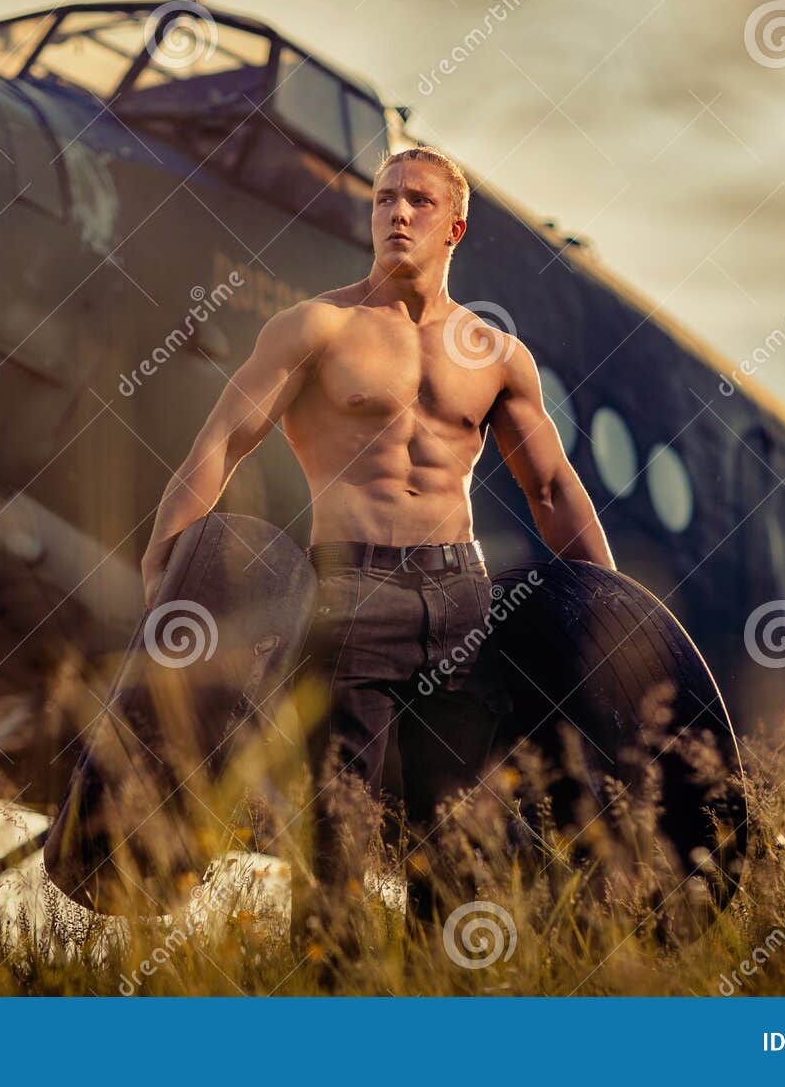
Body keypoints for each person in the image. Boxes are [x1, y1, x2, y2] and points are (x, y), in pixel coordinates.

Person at [138, 145, 616, 960]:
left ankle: (439, 1006)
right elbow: (222, 442)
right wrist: (167, 567)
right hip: (347, 593)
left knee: (461, 843)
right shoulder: (317, 328)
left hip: (461, 598)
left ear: (454, 227)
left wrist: (611, 609)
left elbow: (551, 489)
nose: (397, 212)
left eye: (419, 200)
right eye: (385, 197)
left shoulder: (496, 355)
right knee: (340, 833)